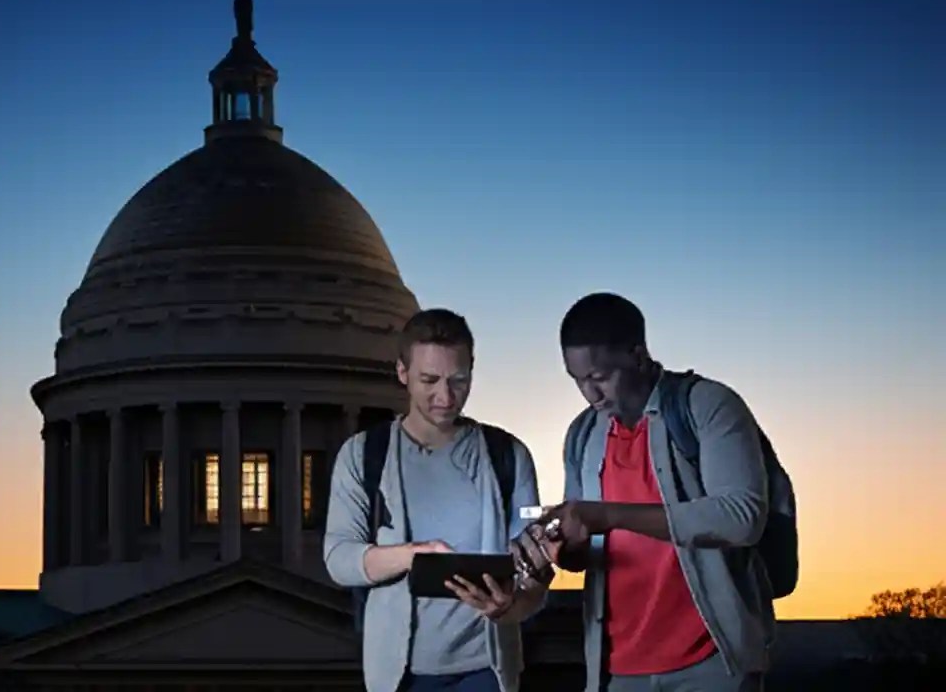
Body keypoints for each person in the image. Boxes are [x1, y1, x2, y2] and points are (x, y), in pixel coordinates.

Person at [539, 292, 775, 692]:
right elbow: (584, 556)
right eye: (577, 380)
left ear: (638, 354)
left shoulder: (708, 406)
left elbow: (742, 517)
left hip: (712, 663)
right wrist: (561, 546)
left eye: (599, 377)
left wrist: (610, 515)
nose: (589, 394)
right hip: (616, 669)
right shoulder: (582, 436)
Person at [323, 308, 553, 692]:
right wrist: (414, 555)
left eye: (458, 380)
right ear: (402, 373)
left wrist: (513, 607)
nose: (445, 397)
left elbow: (534, 572)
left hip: (487, 670)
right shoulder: (362, 454)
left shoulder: (508, 455)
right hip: (401, 676)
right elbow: (338, 560)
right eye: (429, 380)